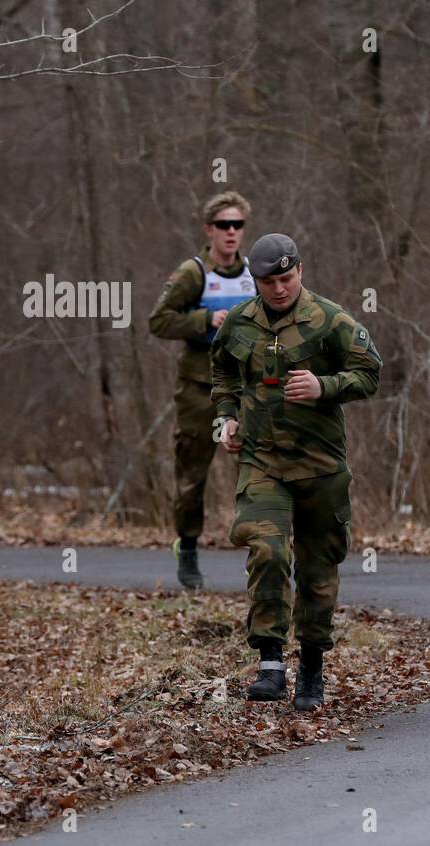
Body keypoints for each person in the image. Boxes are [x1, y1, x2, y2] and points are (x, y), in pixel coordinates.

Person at [210, 233, 381, 711]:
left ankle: (311, 664)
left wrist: (324, 385)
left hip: (321, 466)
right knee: (264, 548)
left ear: (300, 271)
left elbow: (371, 373)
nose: (279, 289)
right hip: (262, 459)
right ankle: (269, 661)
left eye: (287, 278)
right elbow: (223, 376)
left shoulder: (330, 320)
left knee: (317, 568)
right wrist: (224, 421)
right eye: (269, 282)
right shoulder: (239, 323)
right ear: (255, 281)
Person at [148, 191, 256, 589]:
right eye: (224, 225)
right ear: (209, 229)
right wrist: (207, 318)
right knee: (193, 473)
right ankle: (188, 547)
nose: (231, 233)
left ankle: (261, 549)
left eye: (238, 225)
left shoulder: (254, 273)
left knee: (258, 468)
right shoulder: (193, 273)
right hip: (200, 388)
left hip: (247, 387)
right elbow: (158, 321)